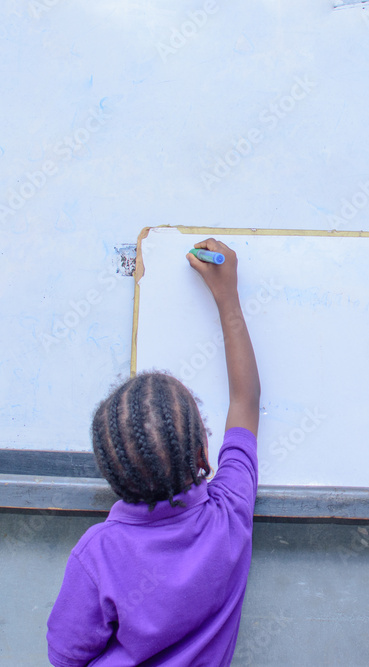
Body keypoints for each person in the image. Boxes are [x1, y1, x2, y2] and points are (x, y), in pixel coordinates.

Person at [47, 238, 261, 666]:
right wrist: (228, 297)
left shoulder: (99, 552)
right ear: (204, 454)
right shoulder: (229, 514)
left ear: (111, 472)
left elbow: (66, 657)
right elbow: (245, 400)